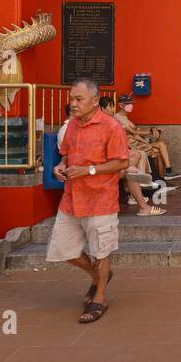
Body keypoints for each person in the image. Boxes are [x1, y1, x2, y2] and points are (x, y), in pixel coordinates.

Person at [47, 78, 130, 323]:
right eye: (71, 98)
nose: (73, 104)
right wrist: (60, 168)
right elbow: (65, 156)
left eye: (78, 99)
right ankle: (98, 277)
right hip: (71, 198)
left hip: (100, 198)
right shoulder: (72, 125)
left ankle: (100, 297)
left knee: (101, 251)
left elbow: (122, 162)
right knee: (64, 249)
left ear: (95, 101)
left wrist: (89, 170)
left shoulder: (111, 126)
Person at [90, 96, 166, 215]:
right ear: (102, 108)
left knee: (134, 159)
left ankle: (141, 191)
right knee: (132, 167)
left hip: (107, 162)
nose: (112, 109)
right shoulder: (101, 124)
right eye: (110, 106)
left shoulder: (107, 123)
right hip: (100, 167)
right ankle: (142, 198)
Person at [115, 94, 181, 181]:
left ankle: (168, 172)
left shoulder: (125, 117)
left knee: (161, 144)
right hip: (133, 145)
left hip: (139, 142)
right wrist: (150, 132)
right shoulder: (118, 117)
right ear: (121, 105)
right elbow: (134, 133)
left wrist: (153, 129)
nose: (130, 105)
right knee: (157, 152)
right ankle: (162, 179)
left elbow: (137, 130)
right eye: (127, 103)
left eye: (131, 103)